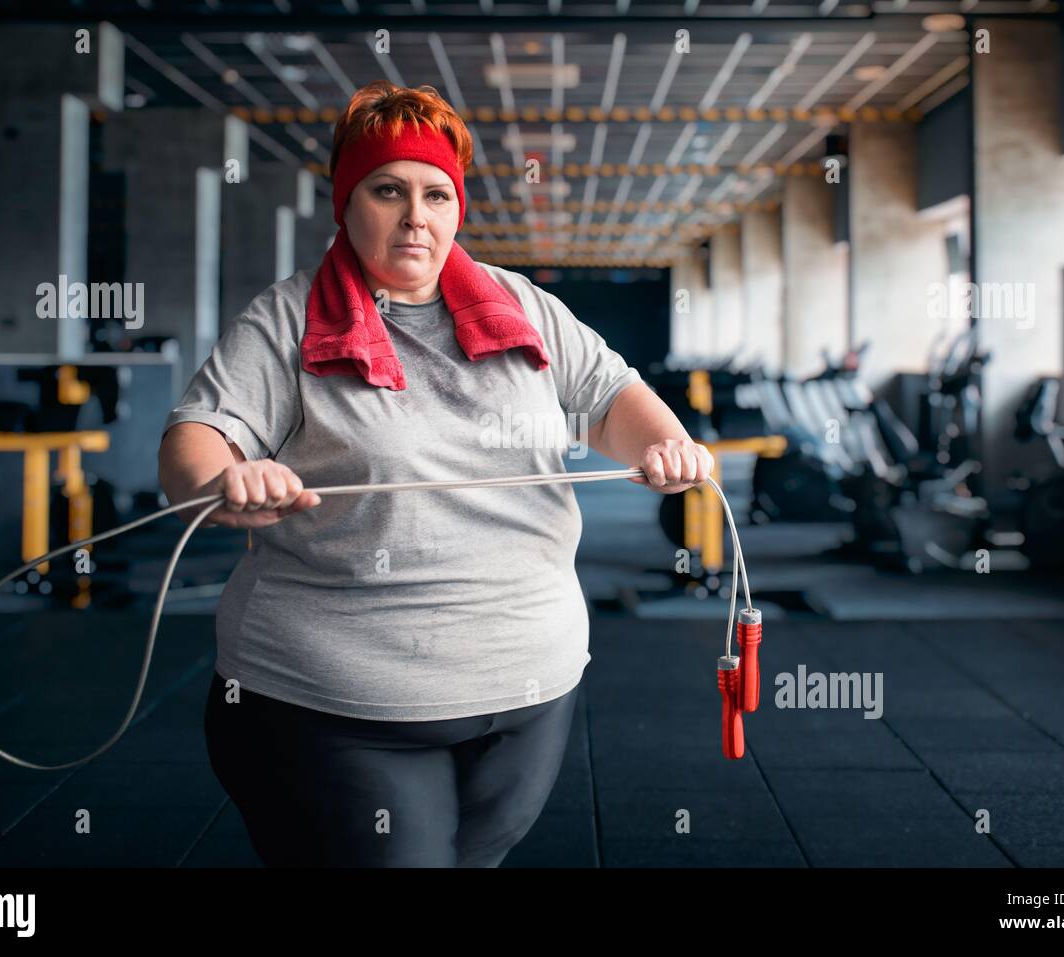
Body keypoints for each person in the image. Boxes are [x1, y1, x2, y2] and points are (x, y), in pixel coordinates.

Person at [157, 79, 713, 867]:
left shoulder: (522, 305)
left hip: (529, 690)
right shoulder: (286, 319)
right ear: (348, 203)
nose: (416, 215)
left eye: (437, 194)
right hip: (337, 703)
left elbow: (612, 397)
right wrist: (224, 483)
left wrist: (665, 445)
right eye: (388, 190)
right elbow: (196, 440)